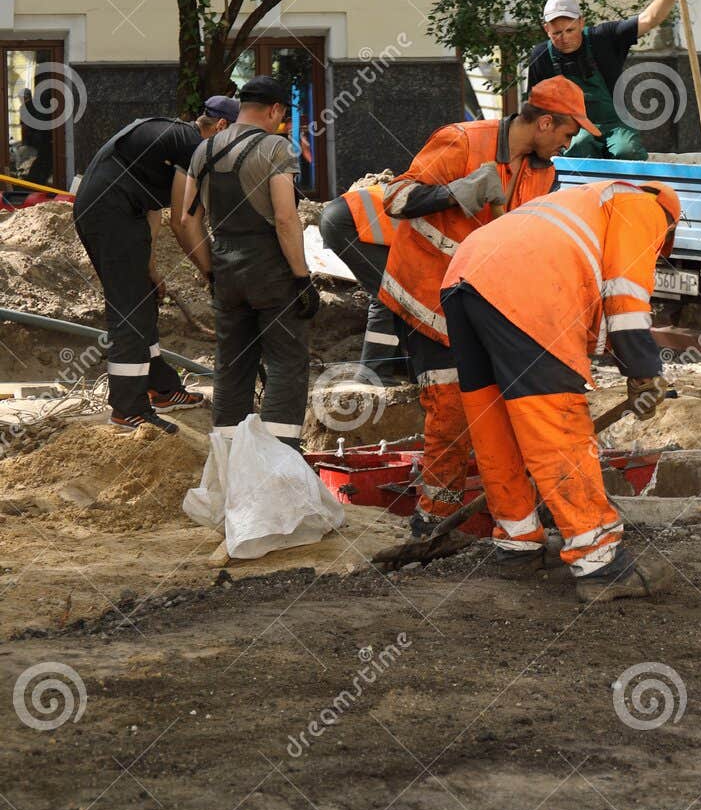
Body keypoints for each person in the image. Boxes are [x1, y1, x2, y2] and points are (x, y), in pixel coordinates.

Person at [440, 179, 680, 601]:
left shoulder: (583, 203)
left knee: (494, 422)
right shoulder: (646, 209)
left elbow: (597, 302)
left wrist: (629, 366)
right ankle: (600, 562)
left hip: (464, 275)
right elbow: (626, 302)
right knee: (556, 423)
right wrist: (645, 372)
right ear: (669, 224)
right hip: (523, 284)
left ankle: (517, 544)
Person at [379, 77, 595, 531]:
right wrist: (456, 192)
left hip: (480, 299)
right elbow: (395, 199)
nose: (566, 144)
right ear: (545, 122)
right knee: (450, 408)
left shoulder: (543, 173)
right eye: (567, 133)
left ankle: (512, 510)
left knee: (496, 403)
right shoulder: (462, 141)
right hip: (426, 296)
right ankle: (433, 519)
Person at [73, 96, 237, 434]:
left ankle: (161, 389)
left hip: (118, 210)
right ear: (221, 127)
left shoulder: (174, 142)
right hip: (108, 211)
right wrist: (213, 275)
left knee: (143, 297)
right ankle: (127, 410)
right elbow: (183, 222)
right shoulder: (192, 146)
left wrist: (150, 268)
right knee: (129, 310)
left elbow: (153, 212)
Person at [178, 76, 319, 448]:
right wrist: (302, 278)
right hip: (271, 271)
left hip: (226, 268)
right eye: (282, 116)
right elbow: (285, 219)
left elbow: (187, 221)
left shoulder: (203, 150)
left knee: (231, 366)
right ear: (275, 110)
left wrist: (211, 271)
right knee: (286, 362)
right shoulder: (275, 148)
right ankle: (277, 461)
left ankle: (228, 457)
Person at [526, 0, 679, 161]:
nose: (564, 38)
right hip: (572, 128)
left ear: (581, 22)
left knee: (626, 151)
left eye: (570, 30)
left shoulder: (603, 38)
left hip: (615, 124)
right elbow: (534, 109)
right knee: (580, 145)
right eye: (557, 33)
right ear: (547, 29)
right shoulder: (541, 56)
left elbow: (650, 18)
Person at [318, 181, 407, 383]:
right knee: (389, 295)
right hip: (349, 222)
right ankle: (374, 372)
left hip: (343, 215)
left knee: (397, 293)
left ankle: (394, 362)